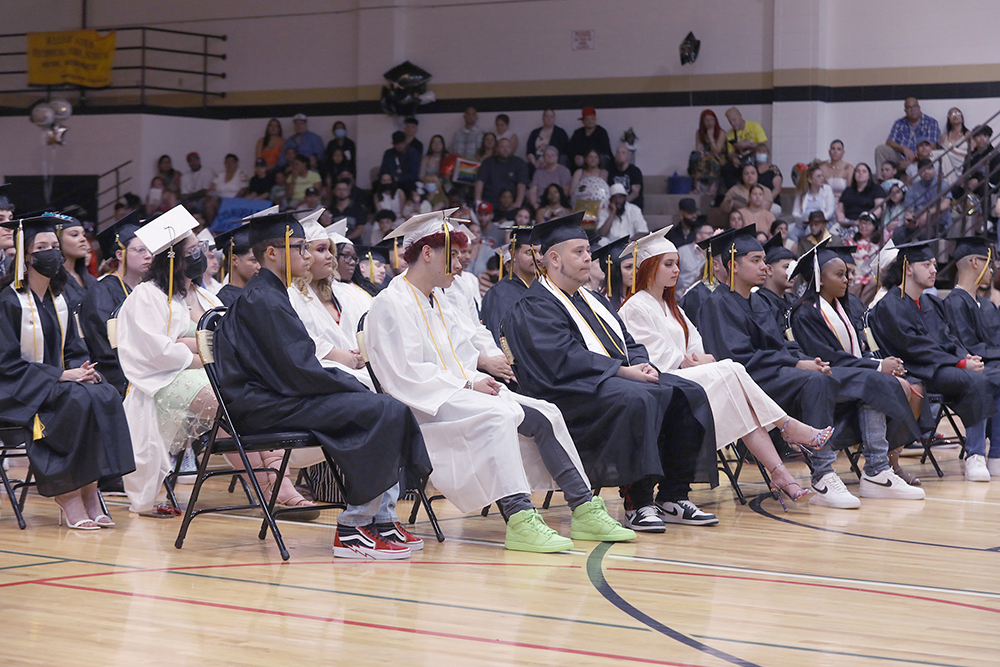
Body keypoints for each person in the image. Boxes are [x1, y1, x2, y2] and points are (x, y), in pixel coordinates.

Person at [367, 211, 635, 549]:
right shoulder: (391, 302)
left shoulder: (439, 299)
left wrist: (477, 379)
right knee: (500, 416)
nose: (463, 265)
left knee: (544, 412)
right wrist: (468, 385)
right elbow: (405, 374)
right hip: (424, 406)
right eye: (454, 256)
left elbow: (464, 352)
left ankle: (583, 508)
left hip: (457, 394)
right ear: (427, 253)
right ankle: (520, 518)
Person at [211, 210, 430, 557]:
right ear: (272, 253)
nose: (307, 255)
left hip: (279, 395)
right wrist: (346, 383)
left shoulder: (273, 294)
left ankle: (379, 517)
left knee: (384, 406)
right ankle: (353, 526)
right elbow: (297, 368)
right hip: (261, 406)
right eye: (299, 247)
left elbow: (295, 366)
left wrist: (345, 383)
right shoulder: (262, 299)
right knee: (379, 408)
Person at [503, 213, 720, 532]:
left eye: (587, 250)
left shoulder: (592, 301)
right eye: (578, 252)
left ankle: (673, 495)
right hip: (567, 394)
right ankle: (638, 501)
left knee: (686, 391)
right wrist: (623, 372)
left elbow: (628, 341)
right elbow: (563, 358)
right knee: (637, 397)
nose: (588, 257)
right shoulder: (536, 305)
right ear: (554, 258)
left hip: (605, 382)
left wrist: (640, 363)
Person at [618, 227, 832, 506]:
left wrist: (693, 358)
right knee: (732, 369)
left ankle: (780, 471)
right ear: (648, 266)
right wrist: (687, 359)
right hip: (664, 384)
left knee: (738, 393)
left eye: (677, 264)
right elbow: (653, 356)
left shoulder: (673, 307)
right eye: (668, 264)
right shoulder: (635, 306)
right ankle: (786, 427)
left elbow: (697, 348)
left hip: (690, 379)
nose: (675, 271)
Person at [696, 227, 863, 508]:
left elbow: (778, 344)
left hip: (773, 374)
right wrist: (797, 363)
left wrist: (806, 360)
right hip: (747, 384)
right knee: (815, 382)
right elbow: (736, 357)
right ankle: (822, 473)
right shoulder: (717, 303)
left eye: (764, 260)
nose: (764, 267)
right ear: (733, 265)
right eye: (756, 260)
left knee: (827, 377)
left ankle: (853, 463)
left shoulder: (758, 300)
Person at [0, 215, 135, 529]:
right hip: (16, 390)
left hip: (55, 384)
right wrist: (60, 376)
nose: (52, 254)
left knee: (102, 392)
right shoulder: (7, 303)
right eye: (42, 247)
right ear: (26, 256)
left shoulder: (58, 300)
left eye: (54, 247)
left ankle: (91, 488)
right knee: (74, 398)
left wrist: (81, 369)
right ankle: (68, 492)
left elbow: (74, 349)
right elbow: (5, 364)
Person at [788, 242, 925, 497]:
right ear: (820, 278)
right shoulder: (805, 313)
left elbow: (858, 350)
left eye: (847, 274)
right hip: (824, 376)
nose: (846, 280)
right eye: (839, 275)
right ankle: (876, 469)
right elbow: (829, 357)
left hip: (850, 374)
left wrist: (881, 364)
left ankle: (881, 468)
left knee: (892, 382)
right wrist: (877, 366)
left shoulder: (844, 308)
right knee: (875, 381)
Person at [116, 206, 228, 516]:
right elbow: (158, 351)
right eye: (191, 250)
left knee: (244, 401)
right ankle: (271, 481)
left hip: (204, 371)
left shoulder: (205, 297)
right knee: (227, 404)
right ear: (173, 257)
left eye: (200, 249)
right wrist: (204, 353)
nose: (199, 256)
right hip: (162, 380)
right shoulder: (146, 296)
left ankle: (274, 481)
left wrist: (195, 346)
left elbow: (226, 340)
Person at [867, 240, 996, 482]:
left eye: (935, 264)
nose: (934, 270)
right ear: (908, 268)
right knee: (977, 379)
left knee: (990, 375)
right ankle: (975, 455)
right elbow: (913, 347)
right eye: (926, 264)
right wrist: (959, 363)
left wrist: (964, 356)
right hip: (915, 369)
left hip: (940, 366)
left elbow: (948, 337)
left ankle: (993, 454)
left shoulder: (931, 302)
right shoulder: (890, 305)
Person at [942, 237, 1000, 477]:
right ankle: (976, 454)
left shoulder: (987, 306)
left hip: (991, 366)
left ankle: (996, 455)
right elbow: (966, 346)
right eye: (989, 265)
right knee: (989, 376)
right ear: (975, 262)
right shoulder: (954, 302)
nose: (993, 271)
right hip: (965, 369)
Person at [78, 210, 151, 396]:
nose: (149, 256)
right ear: (120, 254)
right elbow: (105, 346)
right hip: (117, 372)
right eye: (140, 250)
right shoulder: (101, 291)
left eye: (150, 249)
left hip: (149, 364)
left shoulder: (150, 289)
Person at [480, 226, 535, 346]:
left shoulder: (541, 289)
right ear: (513, 254)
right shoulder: (500, 294)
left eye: (540, 252)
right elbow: (500, 341)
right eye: (529, 253)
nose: (537, 258)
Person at [47, 213, 97, 314]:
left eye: (83, 234)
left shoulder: (90, 280)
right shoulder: (53, 281)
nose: (83, 239)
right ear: (57, 240)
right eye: (74, 235)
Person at [876, 98, 941, 173]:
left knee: (926, 153)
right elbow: (889, 142)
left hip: (921, 158)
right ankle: (882, 182)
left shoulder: (931, 122)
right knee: (881, 149)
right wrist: (903, 149)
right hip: (902, 157)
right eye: (909, 107)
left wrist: (915, 158)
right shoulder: (899, 123)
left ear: (919, 108)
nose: (912, 110)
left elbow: (932, 146)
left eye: (914, 106)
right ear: (905, 111)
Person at [755, 233, 797, 331]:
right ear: (769, 269)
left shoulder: (795, 300)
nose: (793, 273)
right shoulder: (759, 302)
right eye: (786, 267)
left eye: (794, 268)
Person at [475, 138, 529, 209]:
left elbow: (522, 185)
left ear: (511, 148)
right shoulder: (488, 162)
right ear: (496, 148)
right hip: (490, 201)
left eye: (508, 147)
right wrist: (478, 201)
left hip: (511, 204)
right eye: (502, 147)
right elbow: (480, 182)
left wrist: (517, 204)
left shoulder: (519, 163)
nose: (505, 149)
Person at [215, 222, 259, 308]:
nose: (259, 266)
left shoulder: (260, 292)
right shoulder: (223, 300)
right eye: (254, 260)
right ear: (234, 260)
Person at [836, 163, 885, 238]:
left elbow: (880, 208)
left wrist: (864, 221)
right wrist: (843, 221)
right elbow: (839, 210)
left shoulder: (877, 189)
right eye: (858, 171)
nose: (860, 173)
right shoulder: (847, 191)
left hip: (867, 224)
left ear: (869, 175)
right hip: (848, 223)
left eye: (864, 171)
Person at [790, 164, 836, 243]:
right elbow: (795, 212)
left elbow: (830, 212)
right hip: (804, 221)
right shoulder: (802, 192)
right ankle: (796, 254)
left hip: (821, 222)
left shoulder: (827, 189)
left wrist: (816, 220)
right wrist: (802, 218)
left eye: (822, 175)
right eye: (818, 176)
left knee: (810, 230)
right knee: (790, 231)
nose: (822, 178)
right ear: (810, 180)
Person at [905, 158, 952, 231]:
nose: (926, 171)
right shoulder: (912, 188)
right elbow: (909, 210)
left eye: (929, 168)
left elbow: (945, 204)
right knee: (898, 233)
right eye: (923, 170)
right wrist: (909, 219)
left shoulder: (942, 184)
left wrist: (927, 213)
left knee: (924, 233)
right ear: (918, 172)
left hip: (939, 222)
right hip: (919, 223)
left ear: (933, 169)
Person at [690, 109, 726, 195]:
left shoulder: (721, 132)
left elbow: (717, 151)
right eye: (706, 120)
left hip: (719, 156)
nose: (709, 122)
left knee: (712, 160)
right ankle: (697, 187)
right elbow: (698, 148)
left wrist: (711, 138)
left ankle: (713, 187)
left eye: (712, 119)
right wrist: (700, 154)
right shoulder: (699, 133)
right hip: (706, 155)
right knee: (696, 158)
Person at [676, 222, 714, 295]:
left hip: (704, 293)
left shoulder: (713, 254)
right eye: (709, 233)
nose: (712, 236)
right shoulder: (682, 251)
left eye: (712, 233)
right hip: (681, 293)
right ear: (698, 235)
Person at [607, 144, 643, 209]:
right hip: (614, 206)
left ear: (628, 156)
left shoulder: (635, 171)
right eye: (618, 153)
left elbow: (635, 193)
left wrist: (622, 203)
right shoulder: (611, 171)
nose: (620, 155)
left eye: (623, 153)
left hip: (631, 206)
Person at [939, 108, 970, 182]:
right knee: (936, 154)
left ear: (962, 117)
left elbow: (971, 153)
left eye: (957, 113)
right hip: (946, 163)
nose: (955, 116)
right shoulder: (944, 136)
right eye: (952, 114)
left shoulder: (968, 134)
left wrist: (954, 151)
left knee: (943, 154)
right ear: (949, 119)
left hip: (960, 162)